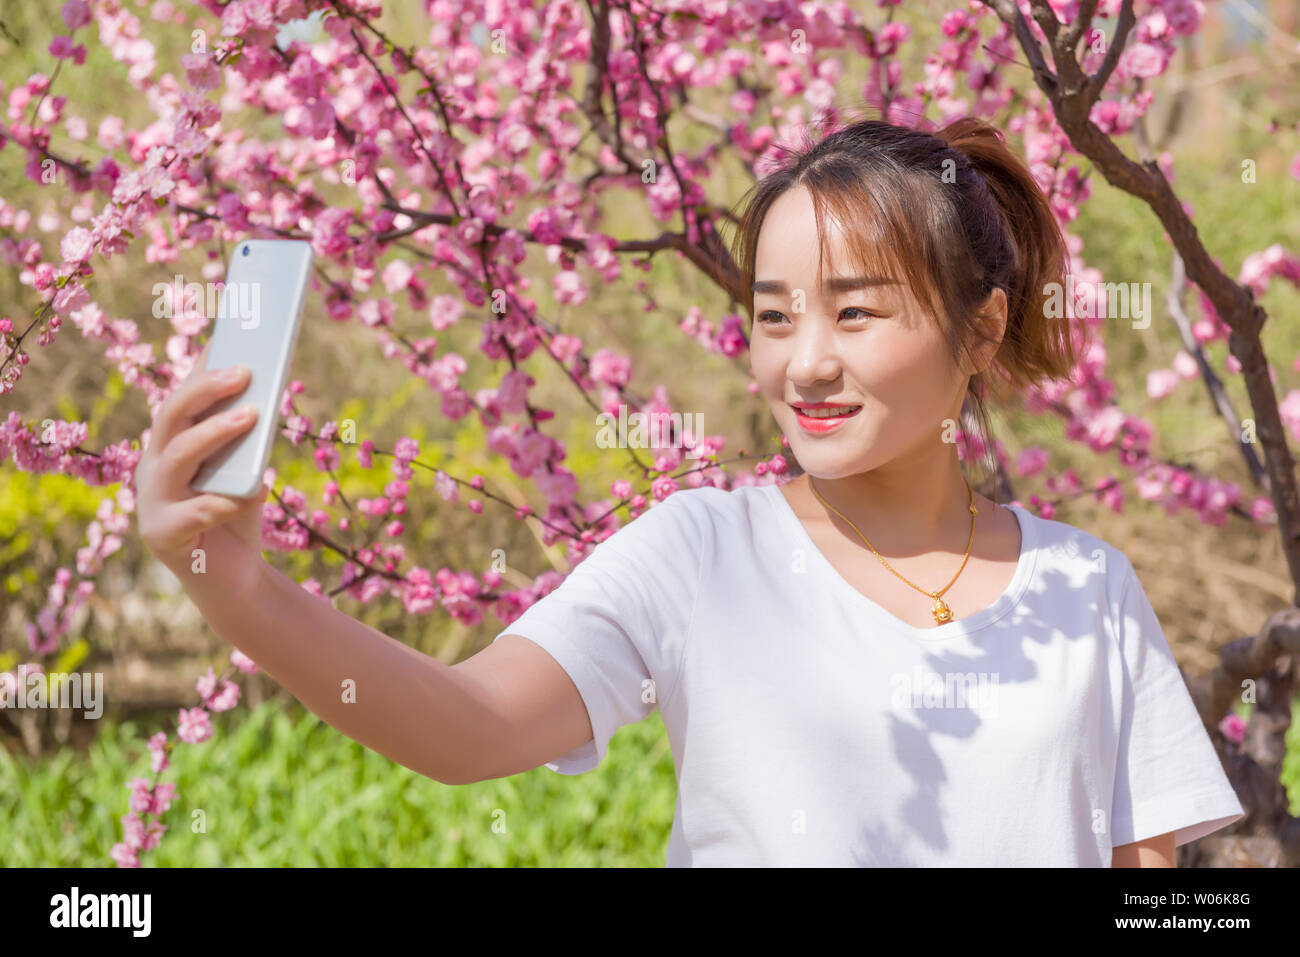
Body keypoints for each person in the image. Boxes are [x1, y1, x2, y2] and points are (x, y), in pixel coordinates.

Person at [134, 113, 1245, 868]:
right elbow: (462, 730)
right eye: (772, 315)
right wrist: (233, 585)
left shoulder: (1084, 586)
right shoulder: (700, 553)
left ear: (981, 329)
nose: (803, 361)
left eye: (854, 312)